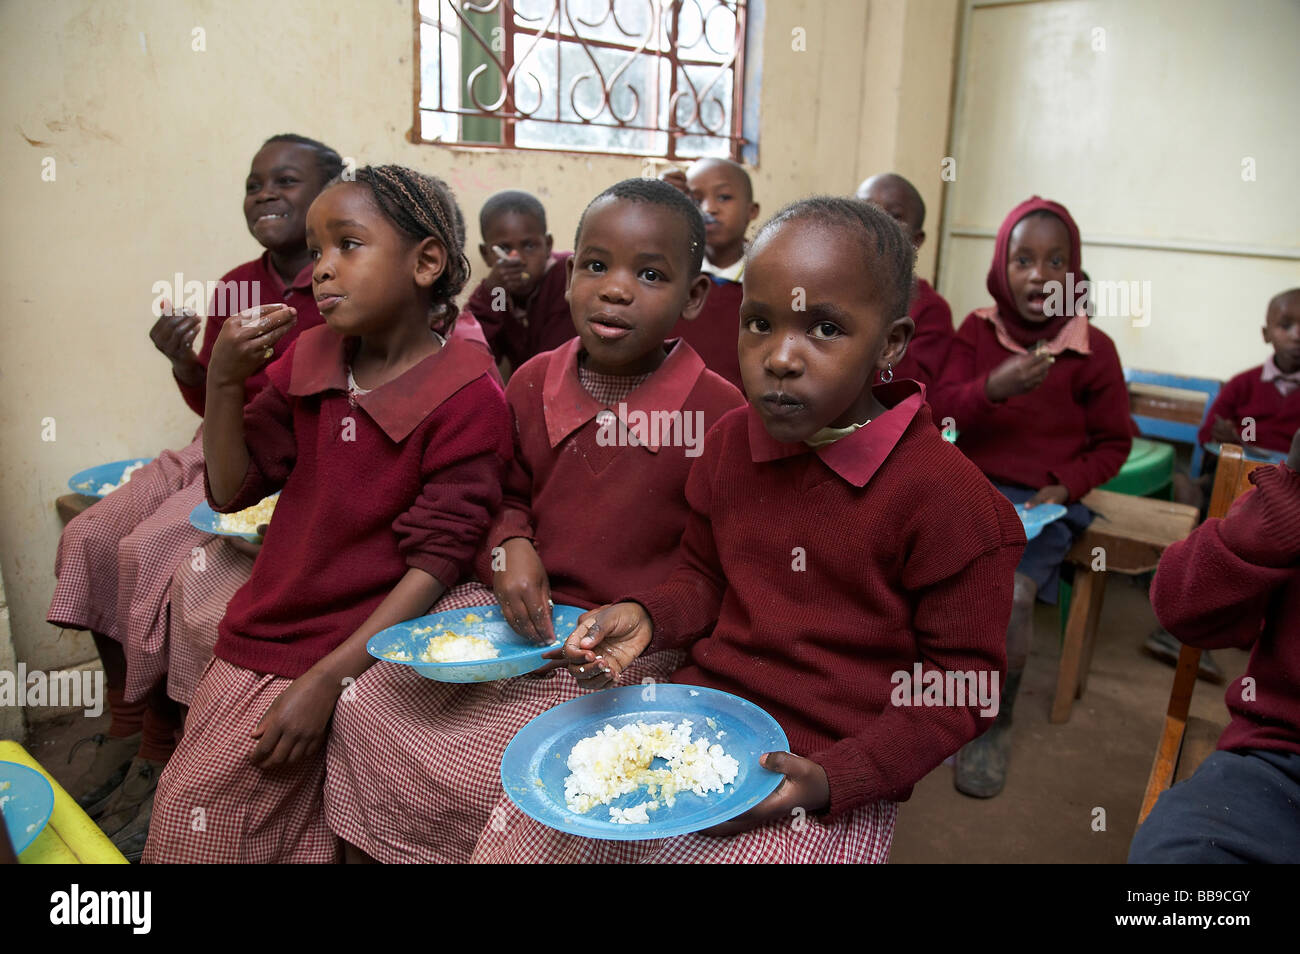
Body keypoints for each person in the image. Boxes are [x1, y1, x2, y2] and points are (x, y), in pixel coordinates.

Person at [473, 197, 1025, 863]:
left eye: (824, 329)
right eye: (760, 324)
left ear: (891, 343)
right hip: (706, 719)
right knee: (538, 825)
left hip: (833, 762)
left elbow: (959, 692)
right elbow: (706, 579)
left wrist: (831, 782)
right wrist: (647, 618)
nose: (781, 358)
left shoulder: (951, 501)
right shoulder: (734, 441)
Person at [323, 177, 744, 863]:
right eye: (595, 265)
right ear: (569, 271)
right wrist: (510, 541)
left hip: (627, 645)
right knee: (367, 709)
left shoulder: (719, 413)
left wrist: (646, 614)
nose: (614, 289)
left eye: (650, 274)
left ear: (693, 297)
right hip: (515, 616)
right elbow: (503, 492)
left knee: (513, 770)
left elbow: (712, 572)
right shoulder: (530, 382)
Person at [141, 165, 512, 863]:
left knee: (210, 816)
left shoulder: (467, 394)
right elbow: (229, 490)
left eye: (348, 245)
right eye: (317, 252)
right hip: (278, 616)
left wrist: (328, 679)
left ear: (426, 261)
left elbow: (436, 562)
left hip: (356, 636)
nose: (321, 271)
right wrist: (221, 380)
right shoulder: (311, 356)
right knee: (202, 817)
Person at [46, 134, 340, 856]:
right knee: (86, 535)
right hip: (216, 440)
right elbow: (211, 392)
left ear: (332, 193)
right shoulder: (239, 280)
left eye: (285, 181)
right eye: (253, 183)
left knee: (150, 550)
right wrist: (189, 362)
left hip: (270, 458)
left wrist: (231, 395)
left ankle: (158, 745)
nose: (265, 193)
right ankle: (124, 725)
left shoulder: (344, 284)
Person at [929, 196, 1133, 798]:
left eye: (1055, 261)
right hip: (966, 488)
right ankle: (931, 704)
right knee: (917, 572)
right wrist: (990, 387)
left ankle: (993, 724)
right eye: (1022, 259)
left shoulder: (1093, 350)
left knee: (1013, 595)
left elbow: (1113, 443)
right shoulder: (975, 331)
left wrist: (1066, 486)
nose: (1038, 274)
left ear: (1075, 274)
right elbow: (936, 413)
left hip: (1041, 504)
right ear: (1000, 267)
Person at [1129, 428, 1300, 863]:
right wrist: (1284, 505)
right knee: (1176, 854)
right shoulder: (1285, 494)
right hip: (1282, 762)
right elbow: (1180, 610)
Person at [668, 157, 760, 389]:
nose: (709, 209)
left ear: (752, 211)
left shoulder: (767, 280)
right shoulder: (671, 279)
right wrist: (659, 204)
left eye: (724, 197)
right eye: (696, 200)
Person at [856, 173, 954, 389]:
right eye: (864, 210)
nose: (876, 224)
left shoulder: (932, 310)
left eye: (894, 216)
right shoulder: (826, 286)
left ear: (916, 241)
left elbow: (916, 389)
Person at [463, 190, 572, 376]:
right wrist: (494, 290)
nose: (518, 259)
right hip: (527, 392)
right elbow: (477, 356)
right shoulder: (499, 292)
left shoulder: (567, 276)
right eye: (504, 248)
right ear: (486, 255)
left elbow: (556, 362)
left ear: (548, 245)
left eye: (529, 246)